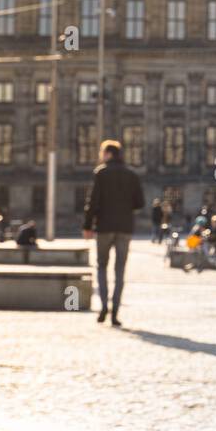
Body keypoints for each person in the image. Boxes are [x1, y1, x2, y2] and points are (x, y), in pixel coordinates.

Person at [83, 138, 144, 327]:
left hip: (104, 227)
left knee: (101, 266)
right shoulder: (132, 175)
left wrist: (87, 225)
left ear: (108, 154)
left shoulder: (101, 173)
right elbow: (140, 203)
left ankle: (103, 307)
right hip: (124, 228)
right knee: (119, 271)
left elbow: (92, 202)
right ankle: (115, 311)